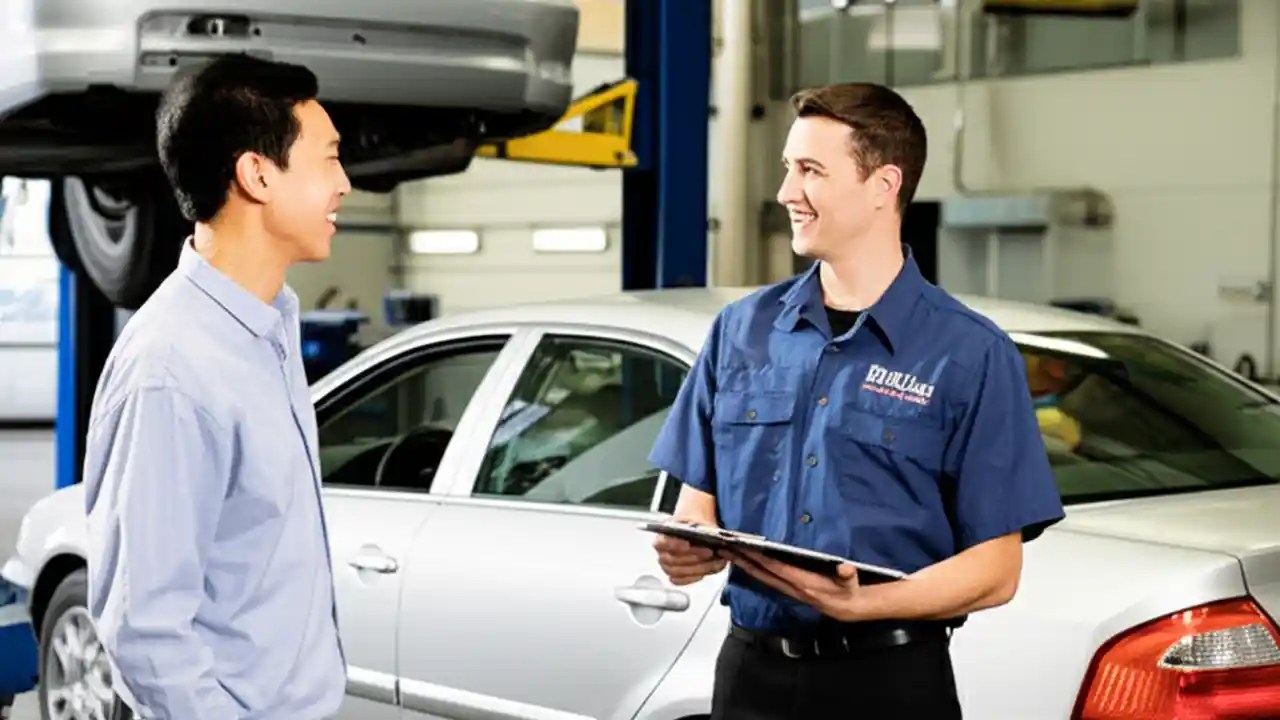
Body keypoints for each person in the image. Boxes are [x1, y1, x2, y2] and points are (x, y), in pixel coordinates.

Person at [647, 82, 1066, 719]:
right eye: (789, 168)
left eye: (811, 170)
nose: (788, 191)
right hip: (748, 678)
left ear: (883, 185)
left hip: (888, 682)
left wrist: (862, 604)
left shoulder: (971, 355)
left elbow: (996, 569)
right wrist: (689, 544)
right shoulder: (742, 331)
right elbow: (696, 499)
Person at [83, 54, 351, 719]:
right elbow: (144, 631)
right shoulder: (172, 371)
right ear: (256, 174)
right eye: (328, 159)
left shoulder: (269, 329)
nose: (344, 183)